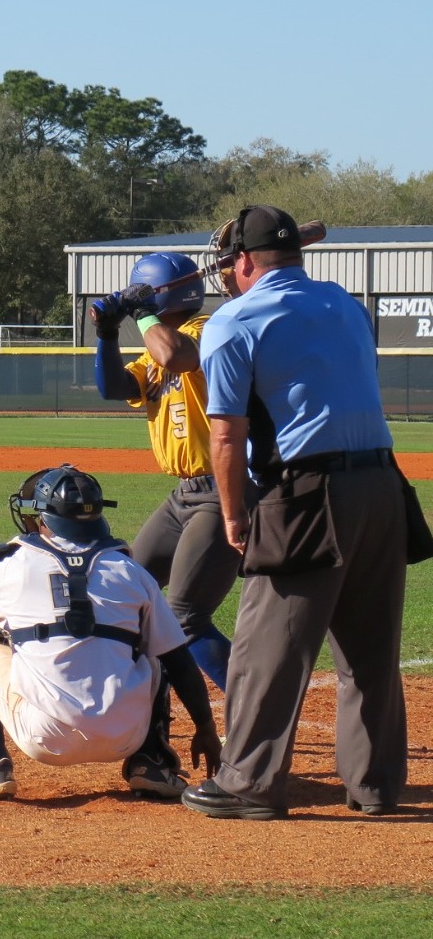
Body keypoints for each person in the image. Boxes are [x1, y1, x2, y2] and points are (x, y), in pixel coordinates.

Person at [183, 204, 409, 820]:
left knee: (268, 645)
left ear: (244, 262)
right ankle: (375, 786)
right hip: (384, 486)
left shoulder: (234, 320)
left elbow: (226, 434)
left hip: (307, 493)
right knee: (370, 651)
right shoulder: (343, 304)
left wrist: (234, 514)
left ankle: (248, 783)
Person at [0, 464, 220, 801]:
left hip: (45, 738)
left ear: (42, 519)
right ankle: (152, 762)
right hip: (125, 736)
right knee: (156, 647)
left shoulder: (11, 566)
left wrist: (14, 624)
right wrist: (206, 727)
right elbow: (179, 660)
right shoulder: (131, 571)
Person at [90, 252, 236, 693]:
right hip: (184, 495)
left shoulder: (207, 329)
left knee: (186, 616)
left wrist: (141, 313)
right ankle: (144, 700)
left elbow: (174, 356)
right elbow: (113, 387)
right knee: (126, 590)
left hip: (222, 492)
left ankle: (258, 712)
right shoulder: (156, 346)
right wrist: (107, 334)